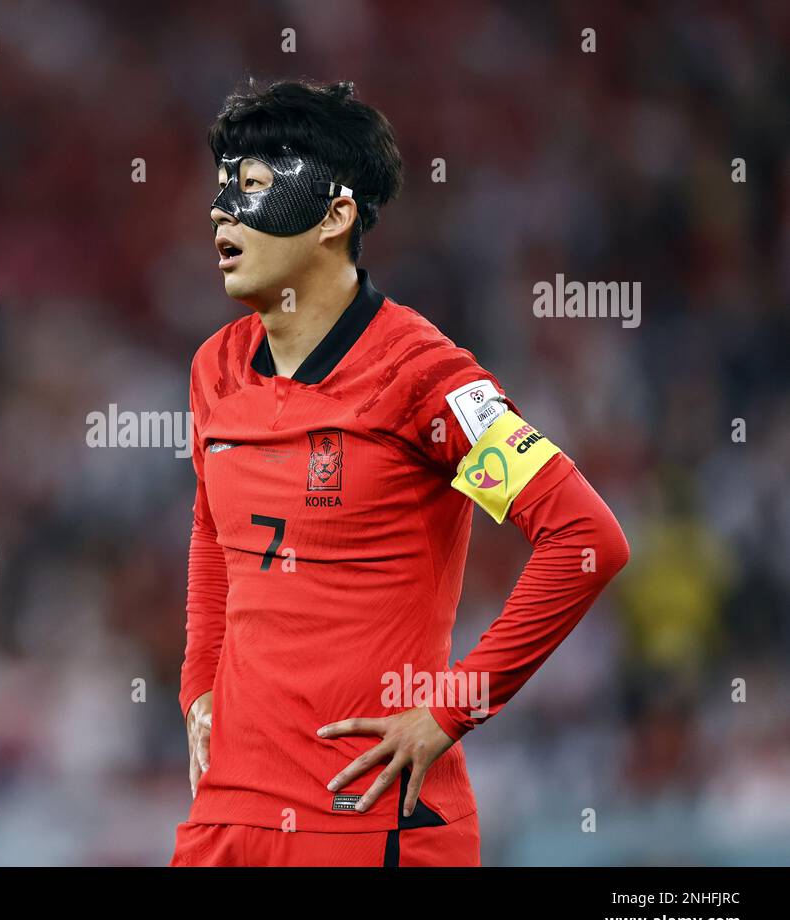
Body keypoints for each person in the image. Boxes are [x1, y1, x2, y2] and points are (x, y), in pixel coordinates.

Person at [172, 79, 629, 867]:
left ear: (334, 214)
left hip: (367, 821)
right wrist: (196, 691)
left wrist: (453, 709)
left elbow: (585, 537)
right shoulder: (216, 369)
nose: (221, 209)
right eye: (222, 186)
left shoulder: (423, 380)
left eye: (250, 186)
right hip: (228, 817)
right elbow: (216, 534)